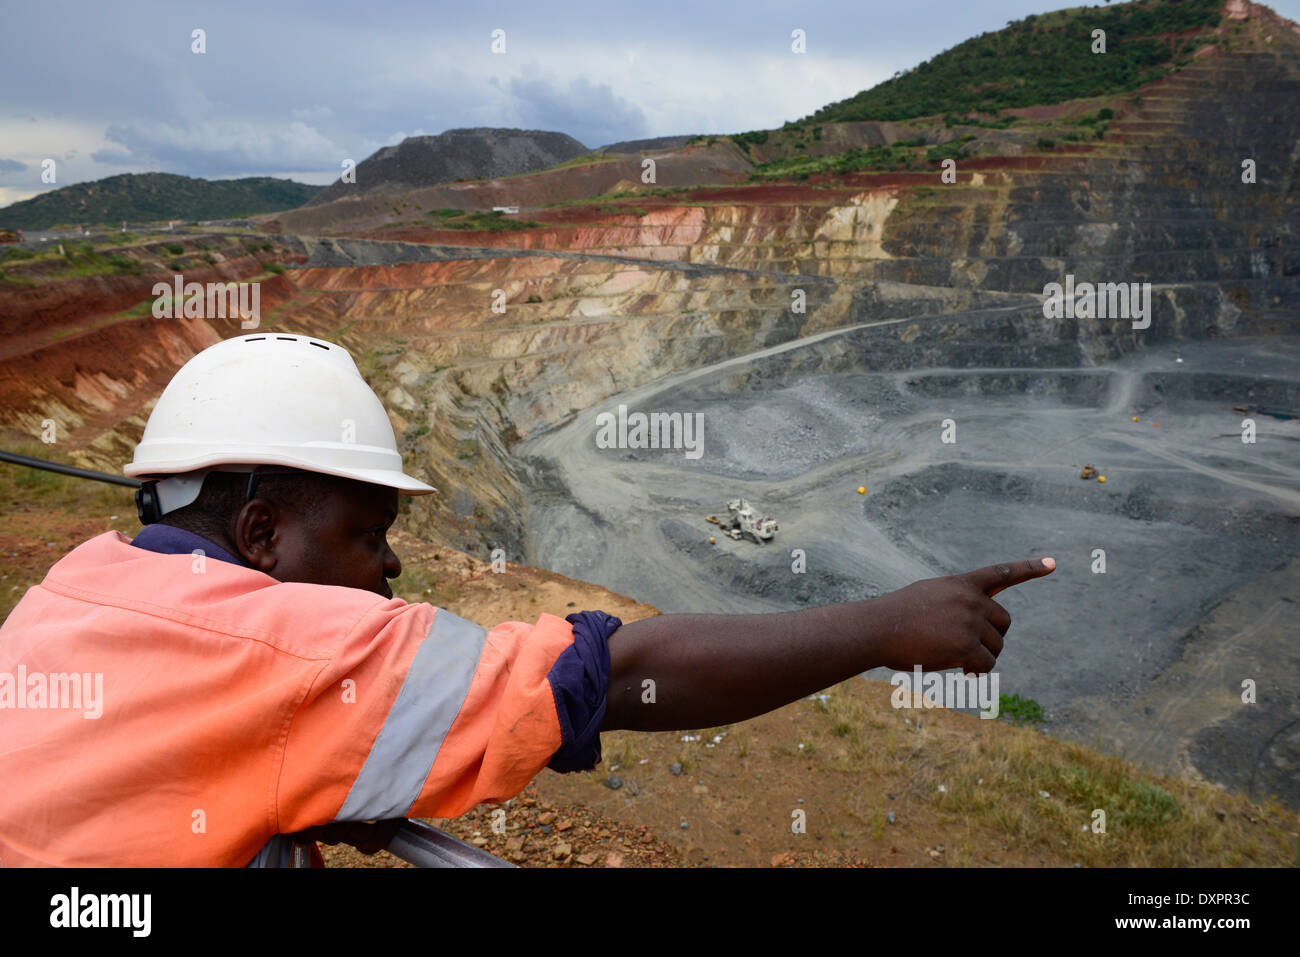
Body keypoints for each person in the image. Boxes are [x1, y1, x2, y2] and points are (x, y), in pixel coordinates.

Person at [0, 333, 1055, 866]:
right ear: (262, 532)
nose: (390, 570)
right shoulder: (297, 650)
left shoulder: (61, 595)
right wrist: (885, 624)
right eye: (368, 537)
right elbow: (614, 675)